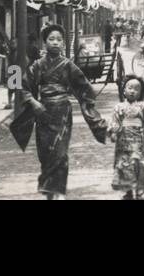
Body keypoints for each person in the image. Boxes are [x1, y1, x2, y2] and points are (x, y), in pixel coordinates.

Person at [19, 24, 104, 200]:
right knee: (45, 152)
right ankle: (49, 192)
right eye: (51, 39)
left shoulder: (68, 65)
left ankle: (58, 192)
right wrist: (34, 103)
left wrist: (88, 102)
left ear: (63, 44)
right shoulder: (37, 65)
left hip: (63, 113)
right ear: (45, 43)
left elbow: (85, 87)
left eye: (59, 39)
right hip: (43, 112)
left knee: (60, 152)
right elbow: (24, 87)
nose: (55, 43)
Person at [108, 74, 144, 200]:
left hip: (139, 140)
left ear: (141, 92)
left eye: (137, 89)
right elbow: (115, 122)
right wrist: (114, 132)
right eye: (130, 88)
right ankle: (127, 191)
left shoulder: (143, 106)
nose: (133, 91)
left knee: (139, 164)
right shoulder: (119, 107)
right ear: (124, 90)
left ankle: (140, 190)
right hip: (123, 140)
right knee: (124, 164)